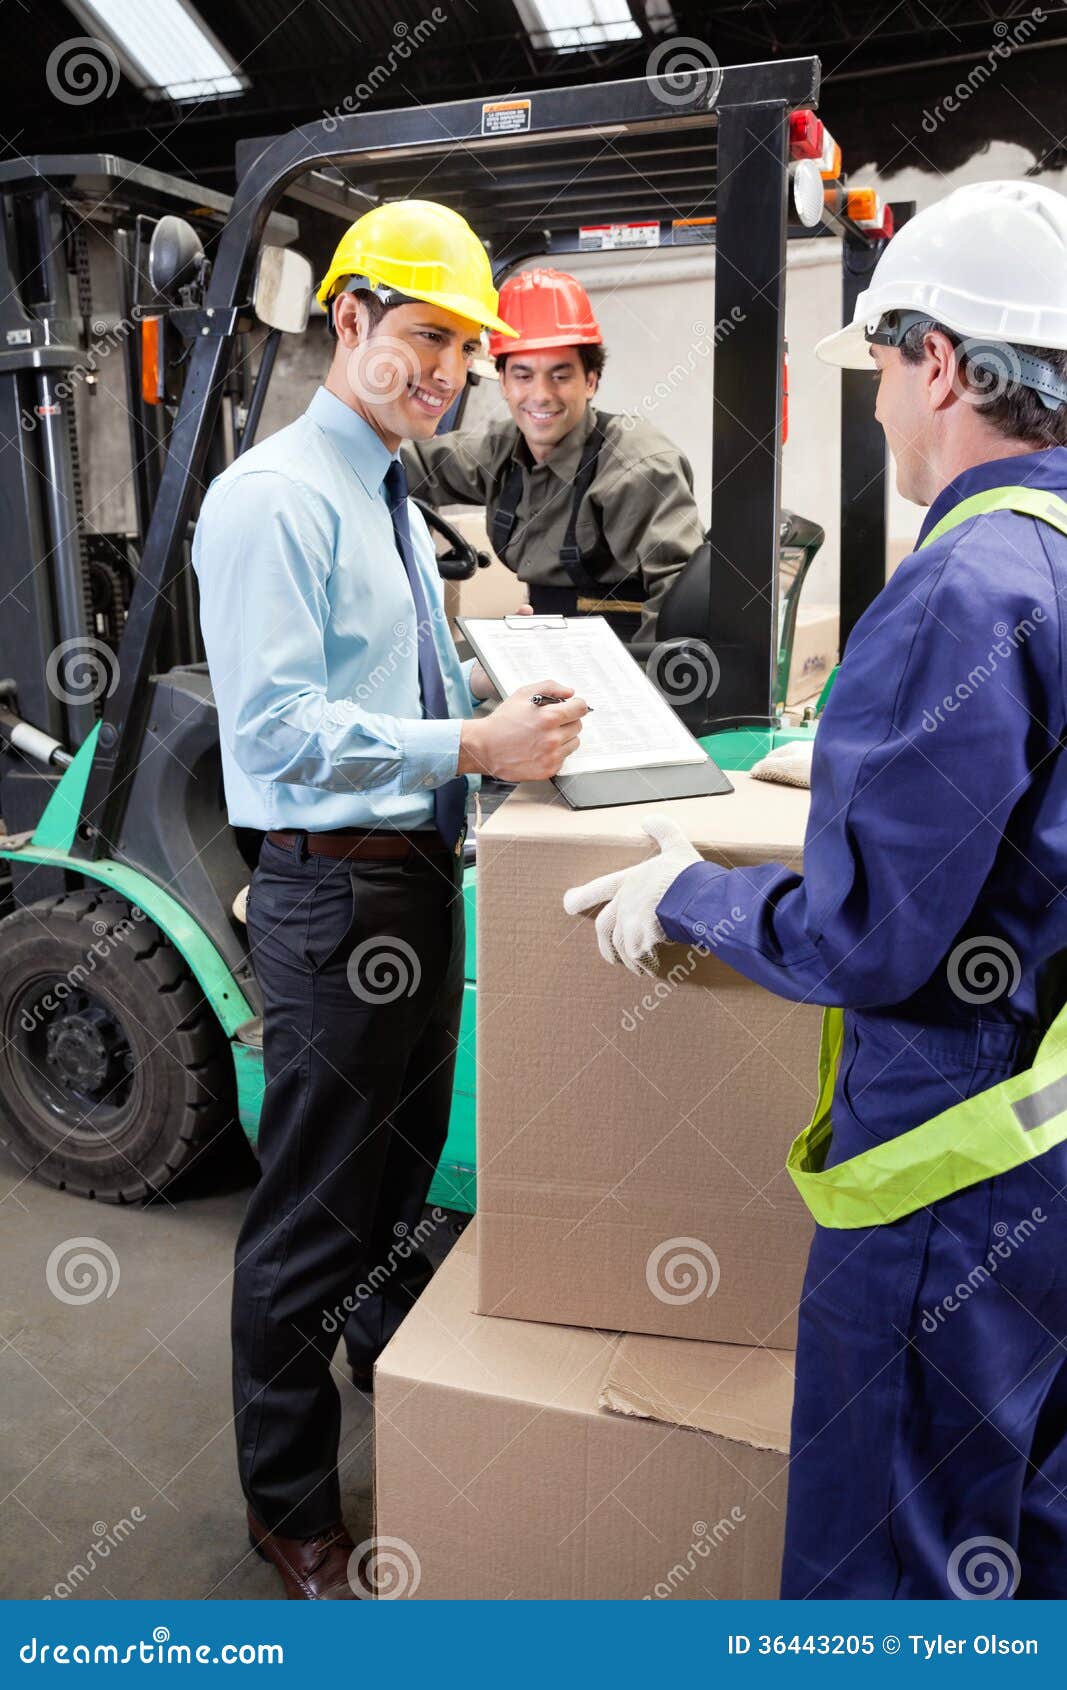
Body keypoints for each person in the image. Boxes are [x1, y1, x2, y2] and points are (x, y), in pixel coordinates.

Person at [563, 179, 1067, 1600]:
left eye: (884, 369)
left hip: (943, 1183)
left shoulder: (962, 583)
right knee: (1020, 1542)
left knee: (883, 1563)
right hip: (1048, 1151)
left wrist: (687, 892)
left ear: (946, 367)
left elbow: (867, 934)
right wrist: (867, 761)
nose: (881, 408)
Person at [192, 199, 588, 1599]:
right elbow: (284, 732)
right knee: (311, 1211)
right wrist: (471, 747)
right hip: (328, 900)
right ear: (346, 319)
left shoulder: (387, 494)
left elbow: (393, 681)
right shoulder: (272, 500)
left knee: (404, 1178)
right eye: (424, 338)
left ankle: (386, 1361)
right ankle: (285, 1502)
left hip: (416, 886)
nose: (448, 375)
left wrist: (494, 701)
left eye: (463, 352)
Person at [402, 266, 704, 645]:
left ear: (591, 381)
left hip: (627, 649)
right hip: (549, 640)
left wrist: (644, 690)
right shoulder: (500, 449)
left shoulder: (635, 468)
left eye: (560, 376)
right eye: (524, 376)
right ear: (505, 382)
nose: (541, 395)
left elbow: (683, 598)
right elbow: (411, 465)